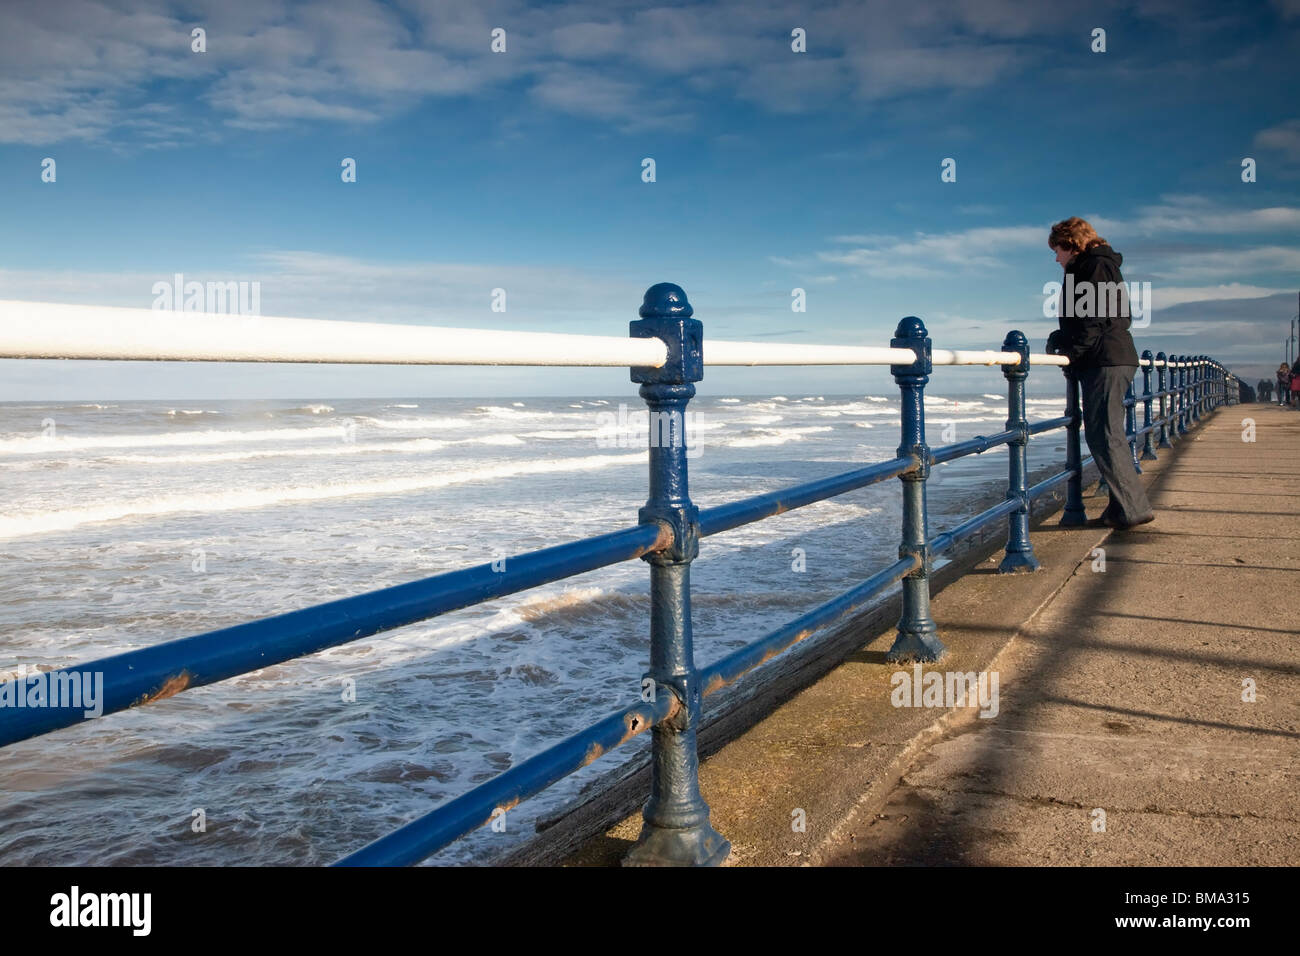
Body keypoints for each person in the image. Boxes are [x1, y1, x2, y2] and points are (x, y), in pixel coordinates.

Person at [1045, 217, 1154, 529]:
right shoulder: (1096, 266)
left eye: (1058, 250)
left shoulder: (1094, 266)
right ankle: (1120, 509)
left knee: (1105, 435)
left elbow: (1097, 318)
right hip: (1107, 357)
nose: (1056, 258)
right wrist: (1061, 338)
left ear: (1071, 245)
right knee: (1107, 433)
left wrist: (1072, 351)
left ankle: (1134, 509)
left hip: (1106, 360)